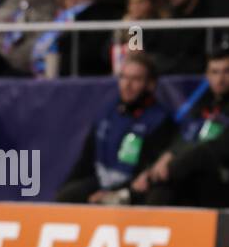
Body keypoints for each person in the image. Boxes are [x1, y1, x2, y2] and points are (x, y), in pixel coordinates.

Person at [131, 47, 229, 208]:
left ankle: (134, 193)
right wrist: (168, 156)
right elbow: (182, 140)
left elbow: (219, 151)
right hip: (194, 178)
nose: (220, 79)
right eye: (214, 72)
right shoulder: (201, 108)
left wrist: (164, 170)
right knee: (165, 187)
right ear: (207, 75)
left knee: (184, 171)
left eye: (226, 71)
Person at [56, 53, 176, 203]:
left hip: (132, 190)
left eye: (136, 79)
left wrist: (113, 194)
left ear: (150, 84)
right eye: (123, 77)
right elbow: (85, 161)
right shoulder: (107, 112)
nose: (127, 84)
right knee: (68, 195)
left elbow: (146, 172)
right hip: (101, 184)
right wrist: (65, 187)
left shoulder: (160, 121)